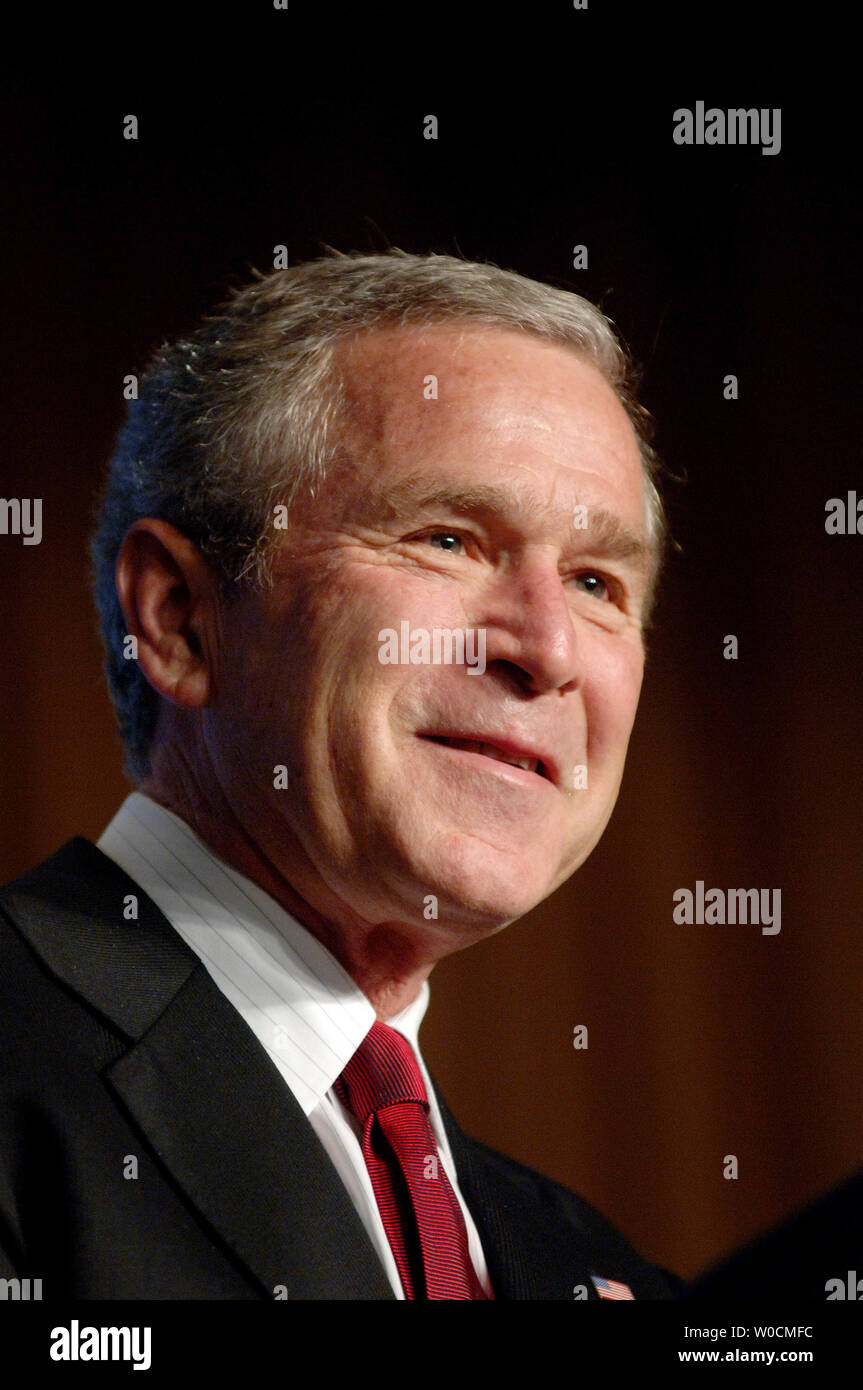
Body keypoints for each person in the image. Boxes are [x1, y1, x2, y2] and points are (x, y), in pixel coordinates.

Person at [0, 249, 679, 1300]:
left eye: (595, 580)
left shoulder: (577, 1261)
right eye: (445, 537)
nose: (545, 647)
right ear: (179, 620)